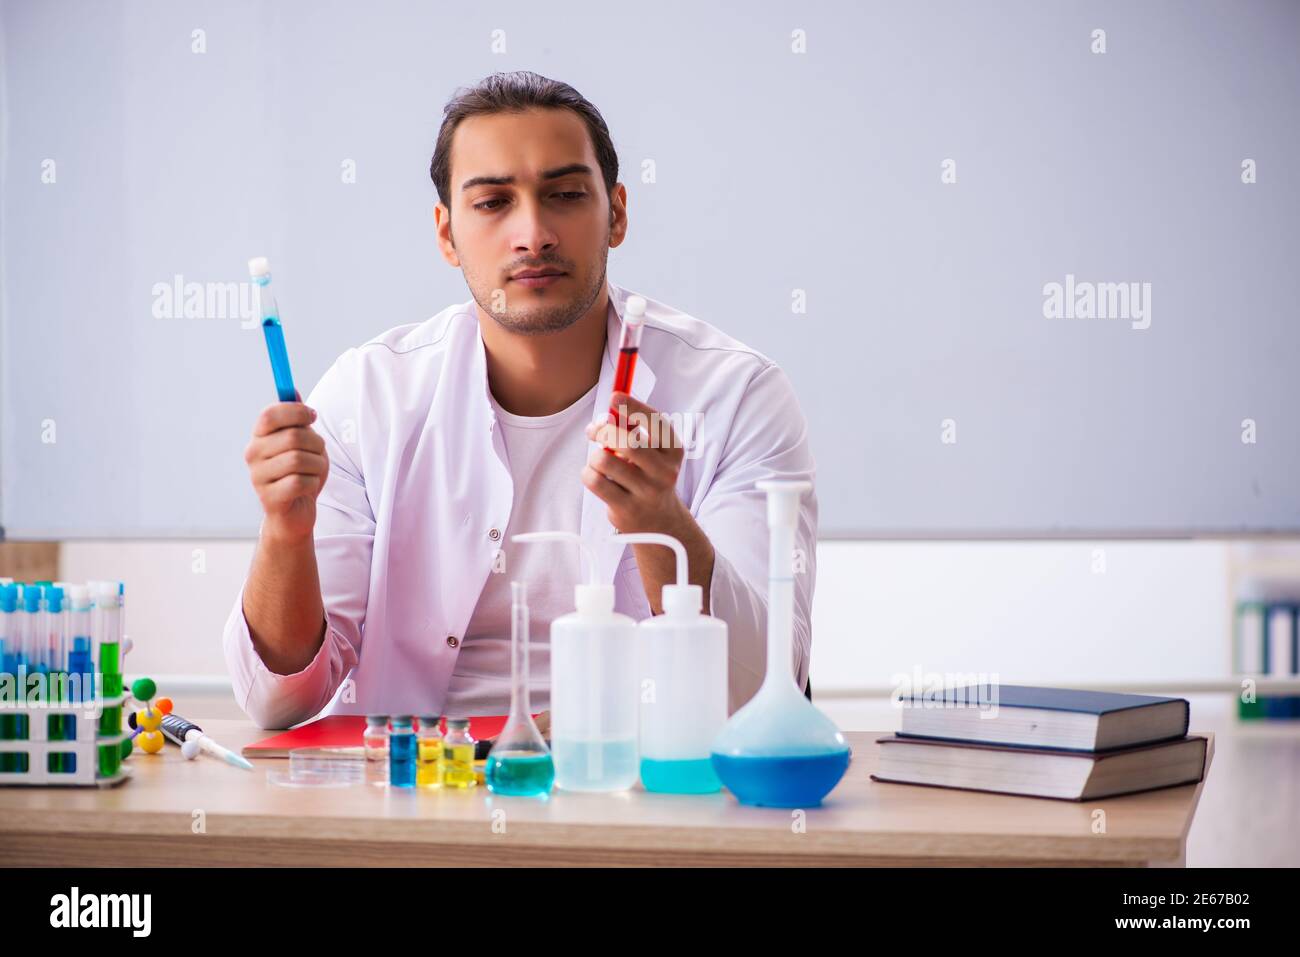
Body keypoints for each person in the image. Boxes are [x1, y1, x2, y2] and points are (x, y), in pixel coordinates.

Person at [223, 71, 818, 729]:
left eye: (564, 194)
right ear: (446, 234)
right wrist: (286, 531)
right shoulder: (368, 399)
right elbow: (280, 701)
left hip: (634, 798)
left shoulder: (736, 397)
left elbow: (767, 694)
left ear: (616, 213)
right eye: (493, 203)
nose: (533, 233)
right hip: (414, 796)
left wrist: (658, 519)